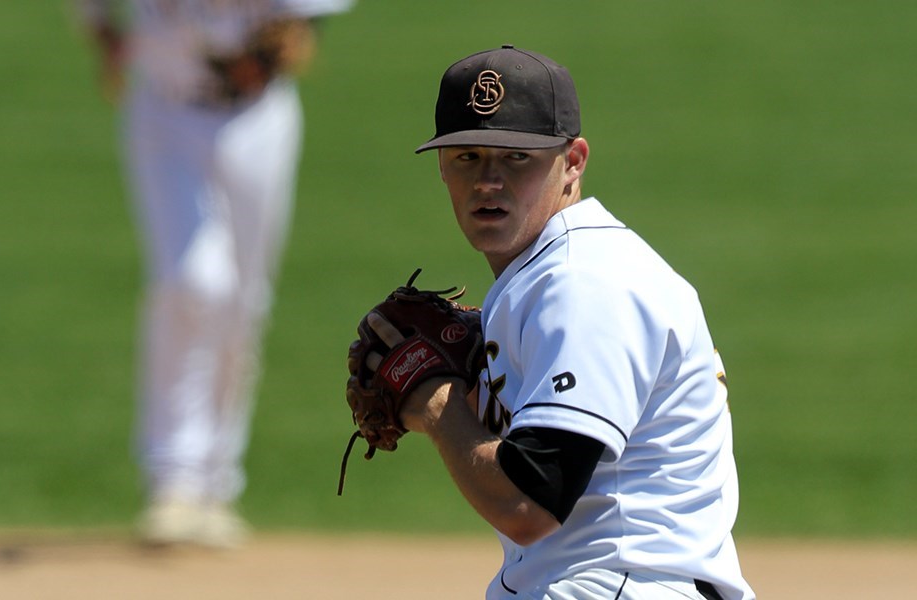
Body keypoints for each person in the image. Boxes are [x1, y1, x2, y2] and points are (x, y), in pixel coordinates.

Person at [368, 45, 756, 598]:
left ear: (572, 161)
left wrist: (434, 402)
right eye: (468, 157)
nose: (488, 181)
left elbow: (529, 503)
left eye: (516, 157)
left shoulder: (585, 283)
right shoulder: (548, 274)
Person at [76, 0, 353, 548]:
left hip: (256, 120)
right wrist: (105, 37)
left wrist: (288, 39)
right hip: (164, 116)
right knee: (191, 282)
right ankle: (173, 480)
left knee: (245, 303)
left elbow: (310, 20)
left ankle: (216, 483)